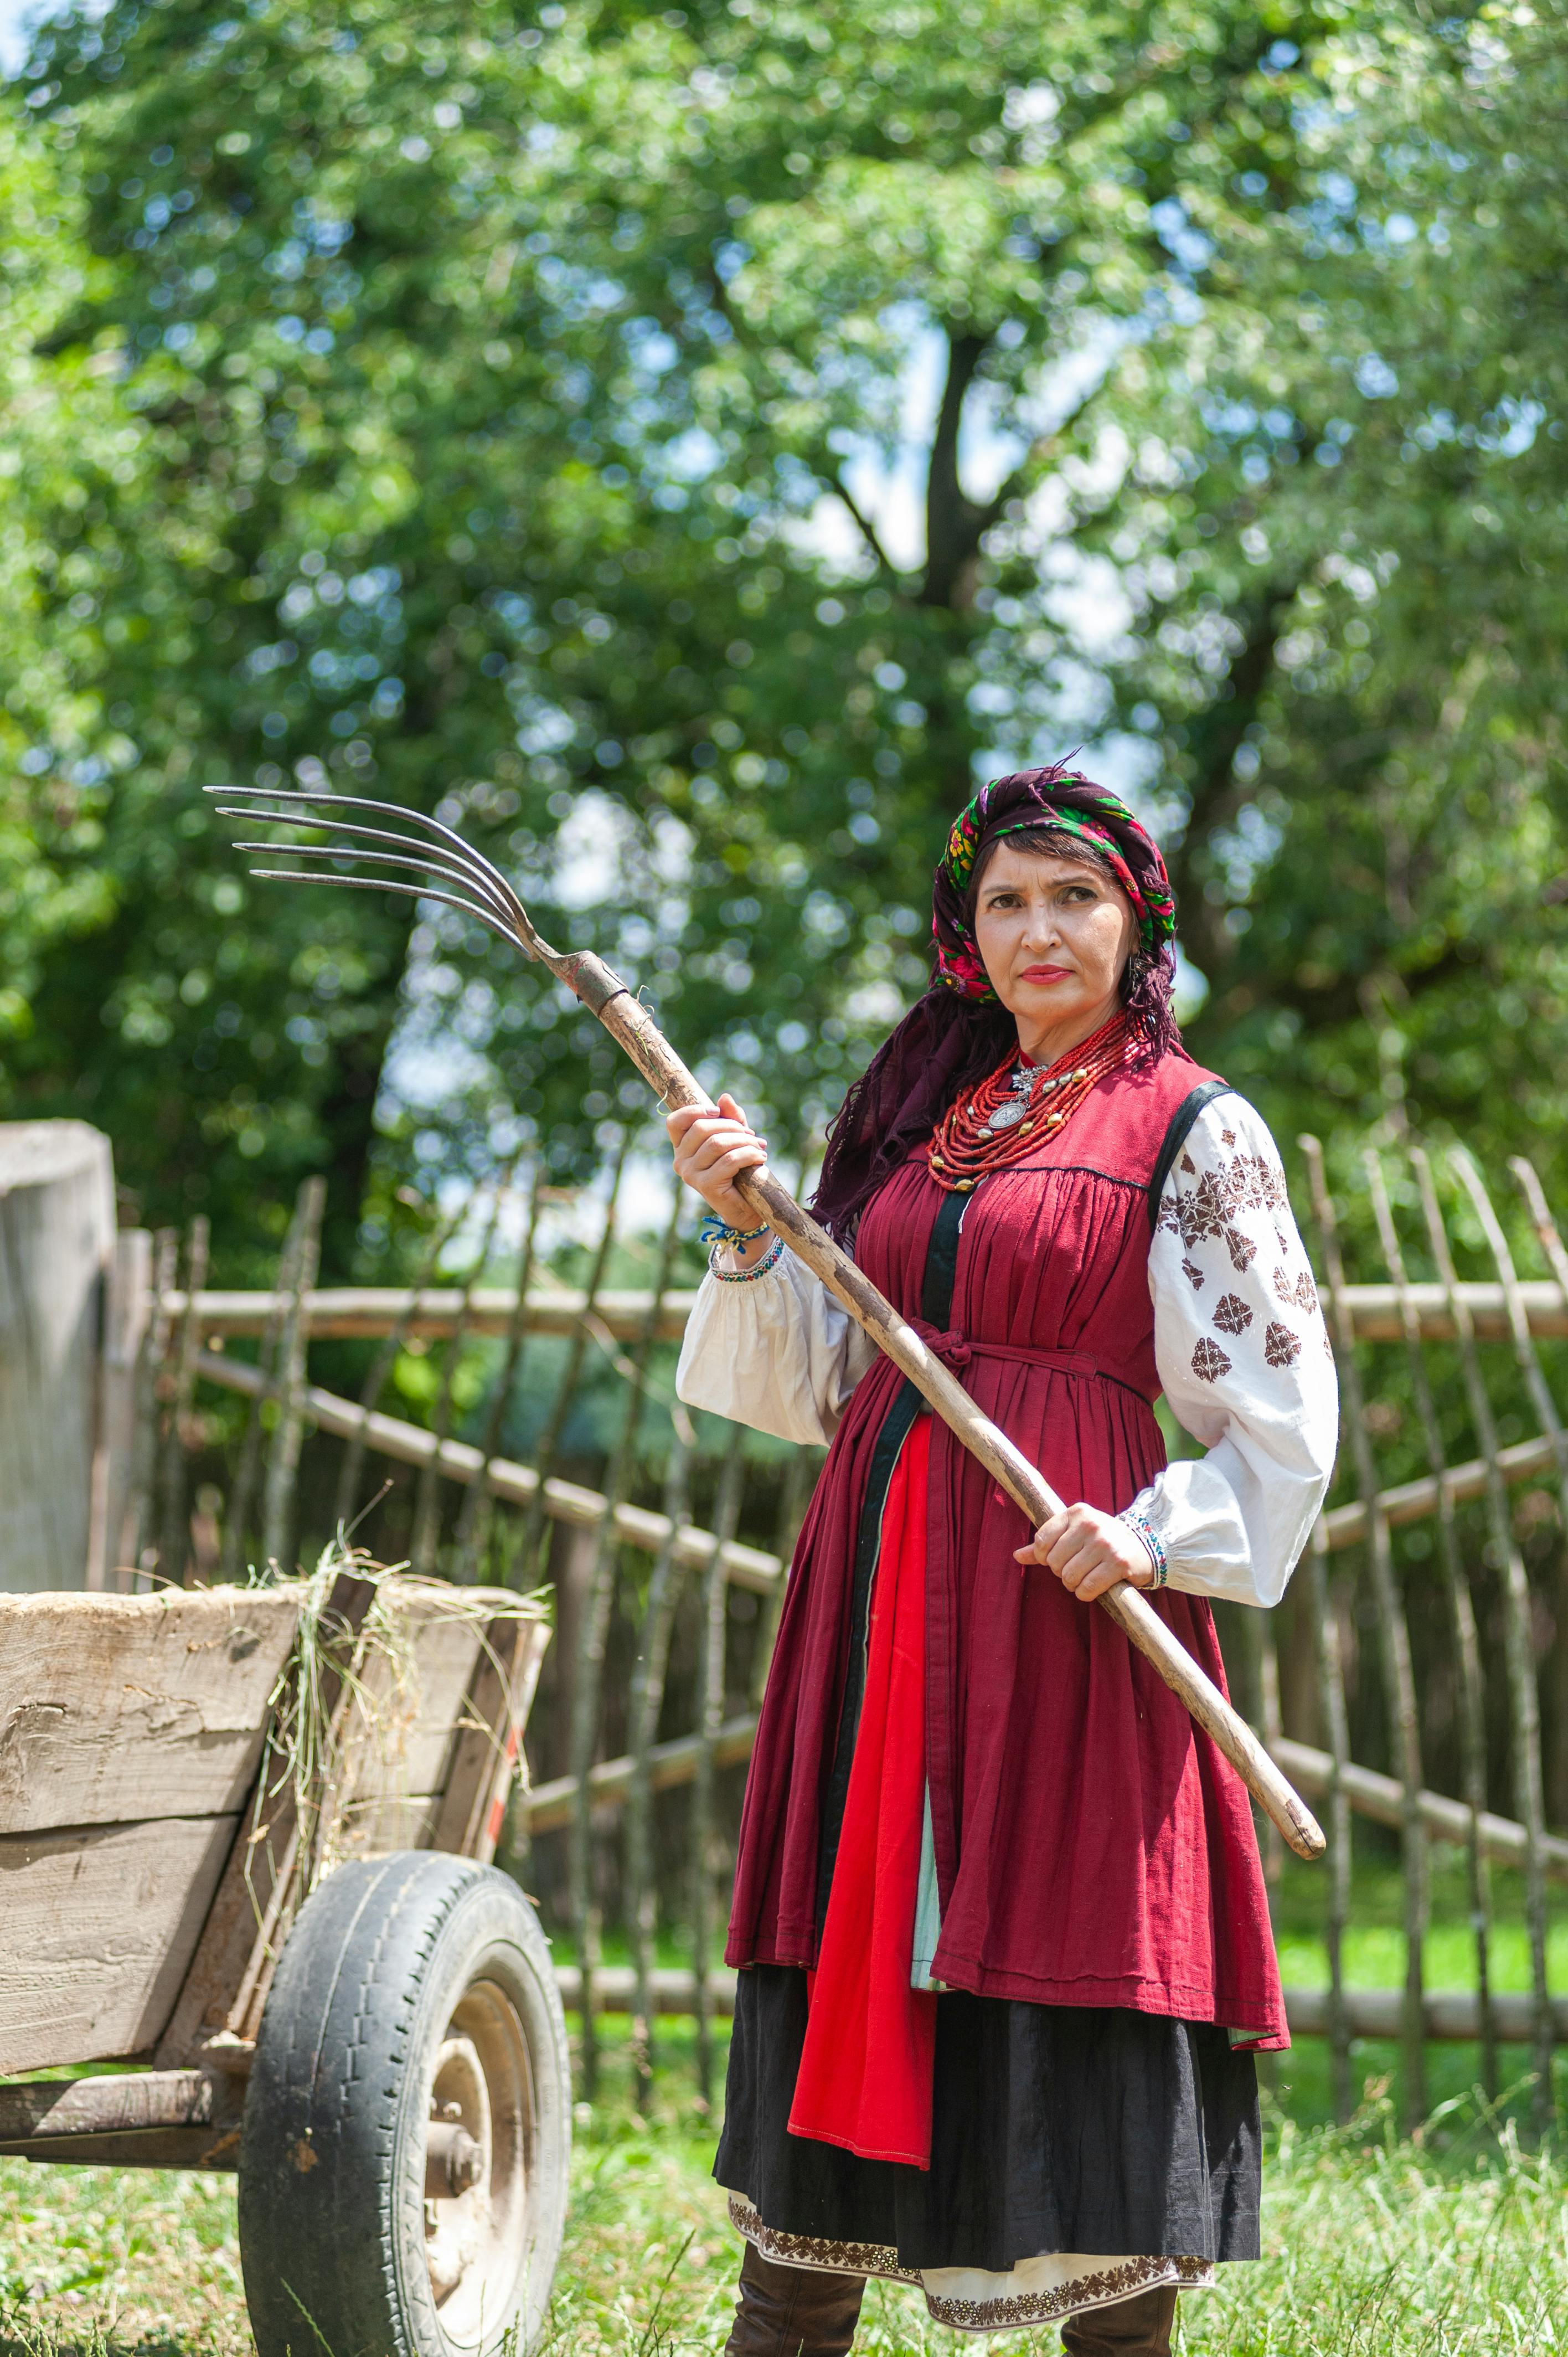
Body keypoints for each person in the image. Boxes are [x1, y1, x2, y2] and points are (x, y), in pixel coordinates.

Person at [667, 764, 1337, 2355]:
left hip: (1066, 1597)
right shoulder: (919, 1114)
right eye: (1007, 902)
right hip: (877, 1593)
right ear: (966, 934)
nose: (1042, 930)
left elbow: (1282, 1415)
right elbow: (818, 1376)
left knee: (1071, 1924)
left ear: (1136, 922)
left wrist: (1151, 1530)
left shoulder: (1190, 1123)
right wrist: (752, 1232)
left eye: (1075, 897)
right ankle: (792, 2318)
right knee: (861, 1933)